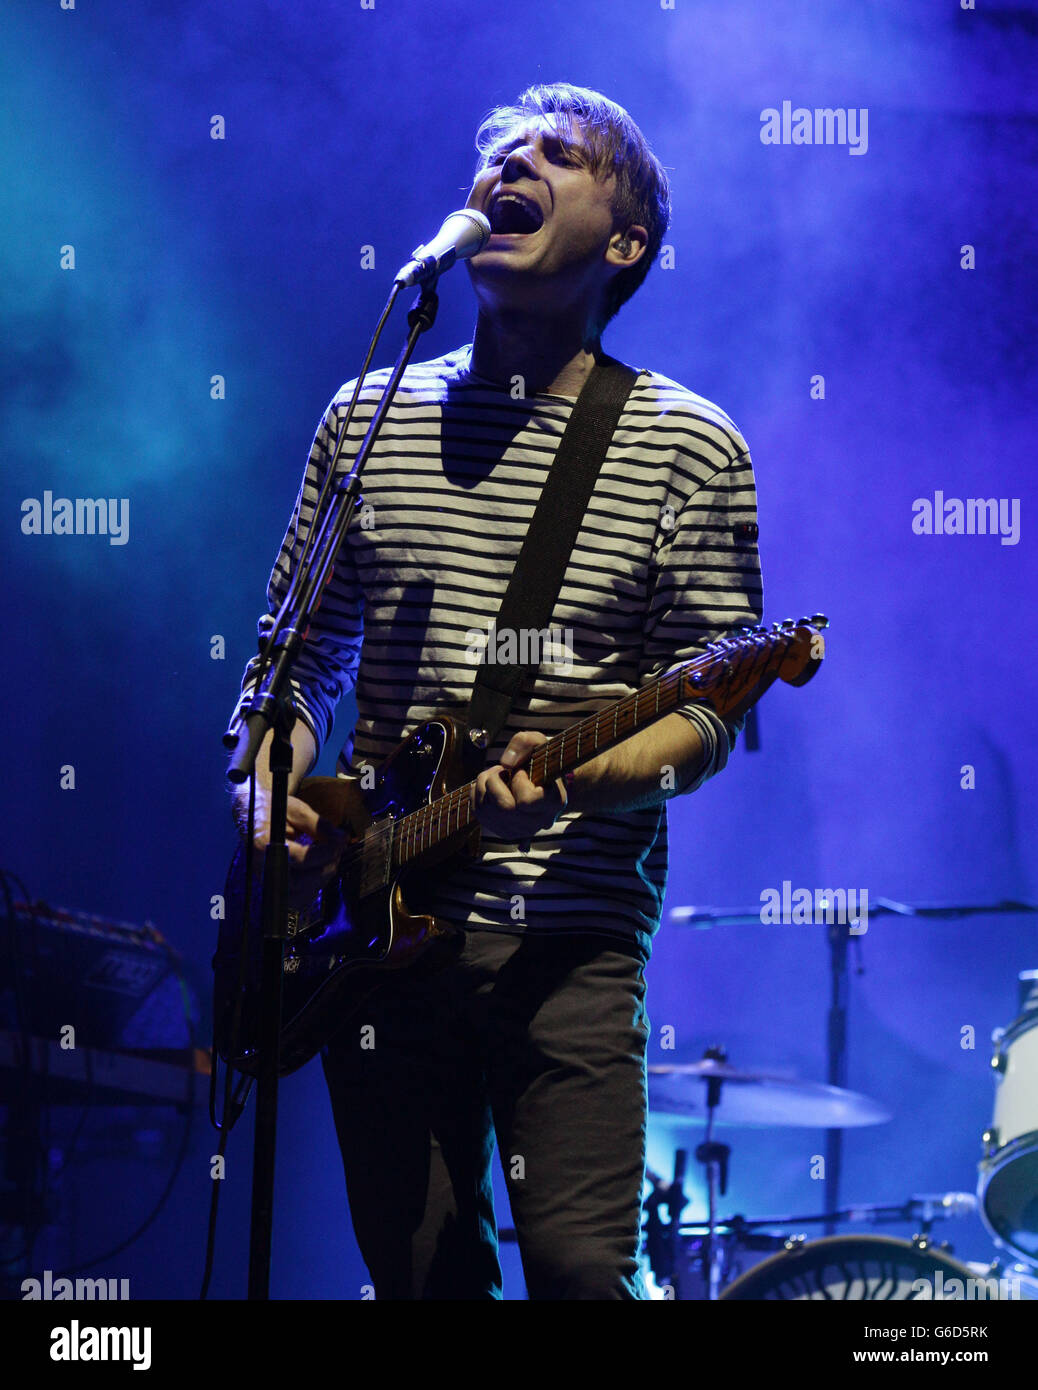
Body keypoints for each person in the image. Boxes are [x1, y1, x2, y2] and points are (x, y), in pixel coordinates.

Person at [231, 82, 763, 1299]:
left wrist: (575, 780)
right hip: (371, 932)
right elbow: (294, 661)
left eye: (556, 155)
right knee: (419, 1279)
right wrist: (268, 794)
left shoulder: (688, 443)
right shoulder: (366, 416)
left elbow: (707, 715)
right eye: (496, 151)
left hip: (567, 943)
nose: (509, 164)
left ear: (626, 242)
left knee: (582, 1276)